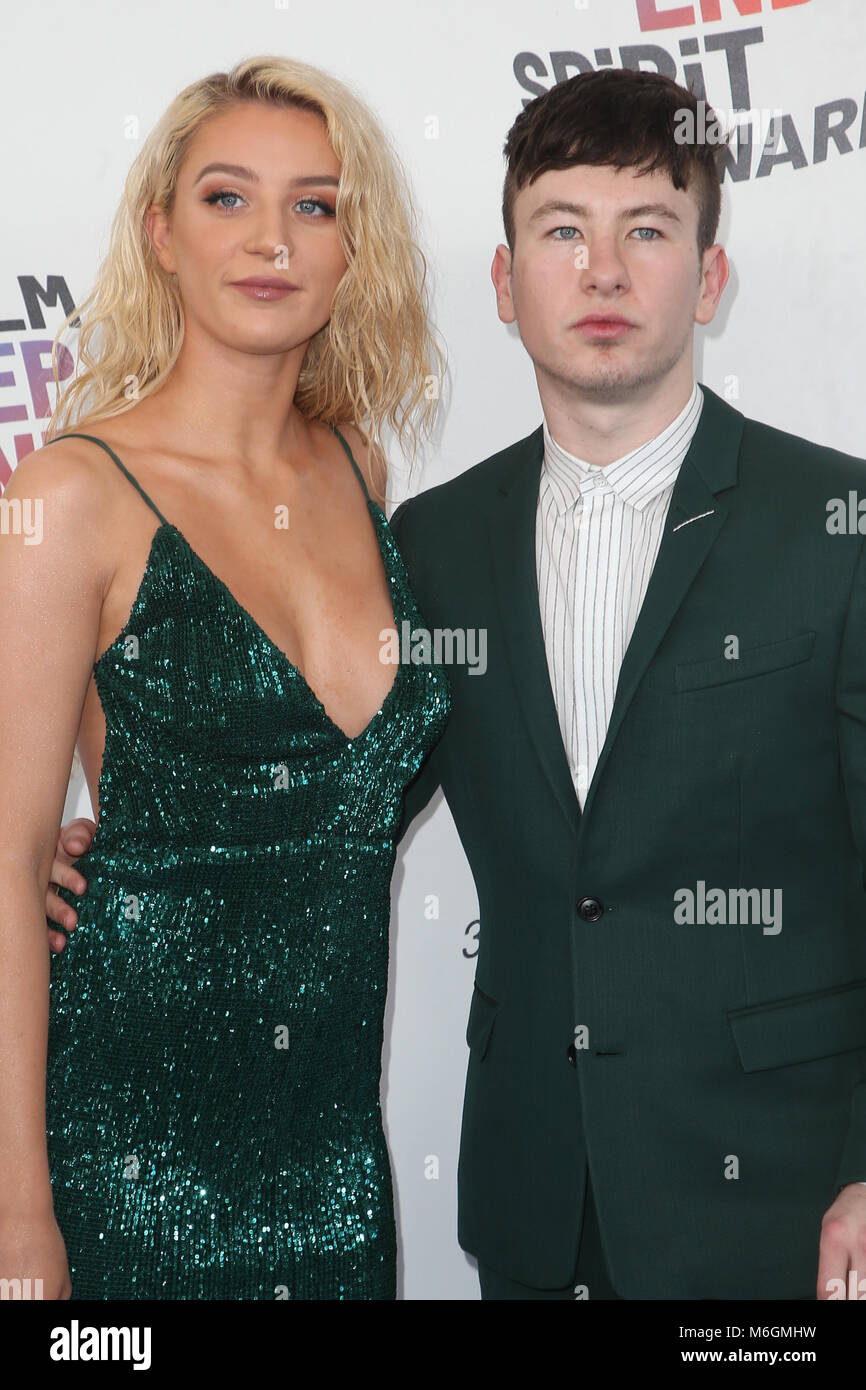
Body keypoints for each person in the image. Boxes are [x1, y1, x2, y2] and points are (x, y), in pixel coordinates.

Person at [47, 67, 866, 1302]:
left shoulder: (833, 522)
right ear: (503, 282)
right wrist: (139, 846)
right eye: (561, 233)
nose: (601, 272)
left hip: (788, 1210)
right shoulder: (425, 542)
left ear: (706, 279)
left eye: (645, 231)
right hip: (530, 1193)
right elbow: (333, 781)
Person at [1, 54, 450, 1300]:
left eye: (315, 204)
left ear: (353, 248)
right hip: (119, 1153)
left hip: (330, 1161)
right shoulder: (69, 498)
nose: (271, 240)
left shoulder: (358, 471)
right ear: (161, 233)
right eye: (225, 199)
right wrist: (18, 1213)